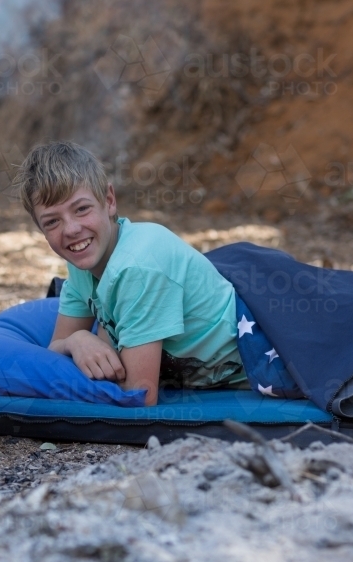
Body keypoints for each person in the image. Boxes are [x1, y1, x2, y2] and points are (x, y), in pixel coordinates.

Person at [15, 141, 249, 406]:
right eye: (52, 222)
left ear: (109, 201)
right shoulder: (83, 263)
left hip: (252, 369)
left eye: (81, 209)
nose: (71, 230)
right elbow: (55, 347)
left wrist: (86, 342)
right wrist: (76, 341)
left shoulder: (138, 267)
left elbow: (139, 395)